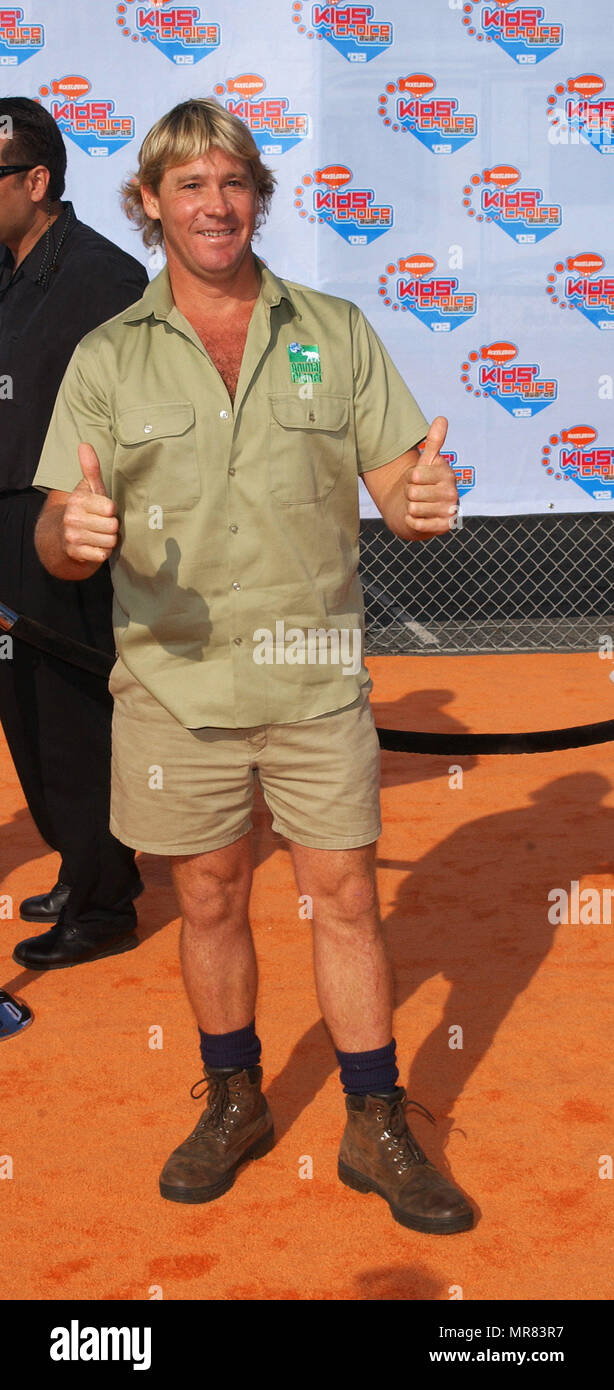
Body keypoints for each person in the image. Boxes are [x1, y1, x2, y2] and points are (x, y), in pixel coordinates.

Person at [32, 99, 474, 1234]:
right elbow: (56, 520)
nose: (213, 204)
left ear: (257, 199)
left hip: (315, 680)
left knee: (343, 900)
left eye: (232, 183)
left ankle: (374, 1121)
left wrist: (419, 507)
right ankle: (233, 1097)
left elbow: (397, 489)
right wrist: (66, 535)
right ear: (149, 204)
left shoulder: (331, 327)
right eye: (187, 186)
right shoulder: (105, 357)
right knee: (210, 898)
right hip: (173, 692)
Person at [0, 98, 148, 970]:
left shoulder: (104, 278)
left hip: (63, 521)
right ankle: (78, 863)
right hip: (4, 518)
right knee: (22, 713)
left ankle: (105, 899)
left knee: (70, 716)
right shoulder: (8, 267)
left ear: (37, 181)